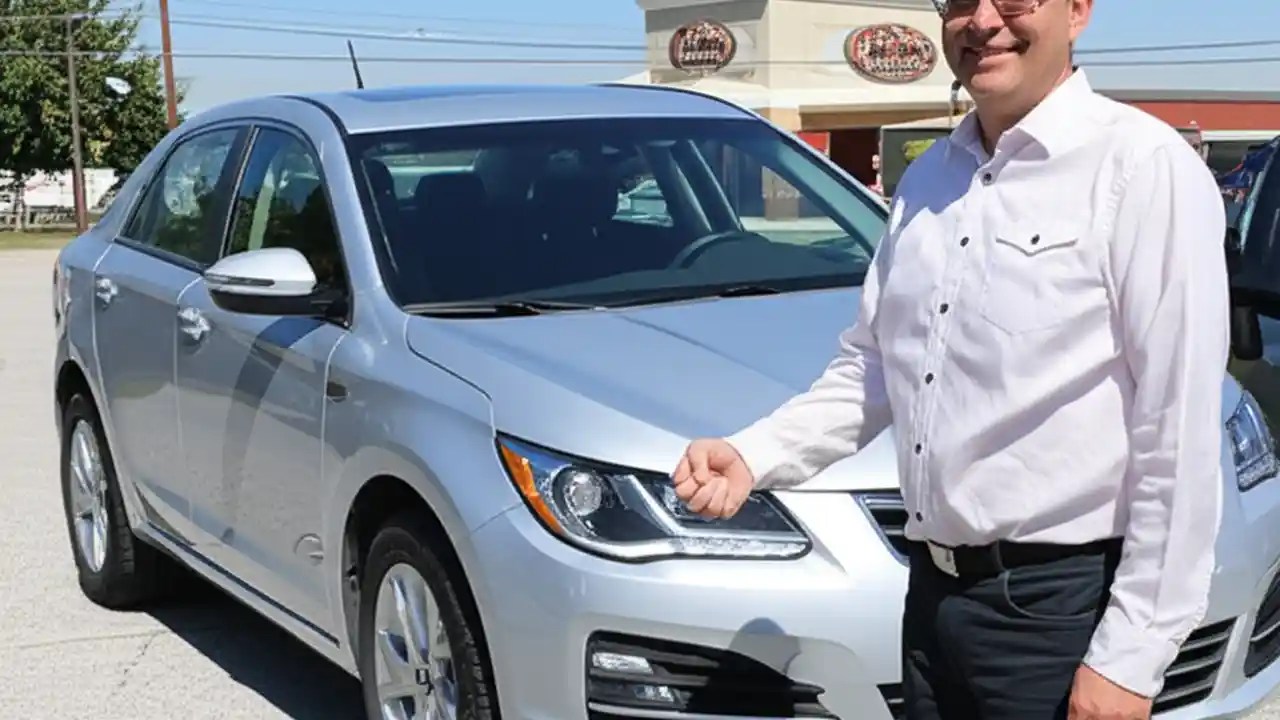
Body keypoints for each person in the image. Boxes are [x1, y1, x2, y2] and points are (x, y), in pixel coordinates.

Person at [670, 0, 1230, 718]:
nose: (984, 20)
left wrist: (1130, 657)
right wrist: (754, 456)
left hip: (1056, 617)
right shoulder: (932, 178)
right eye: (961, 0)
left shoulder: (1143, 169)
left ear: (1079, 10)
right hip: (932, 603)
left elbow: (1177, 430)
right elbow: (872, 367)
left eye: (1016, 0)